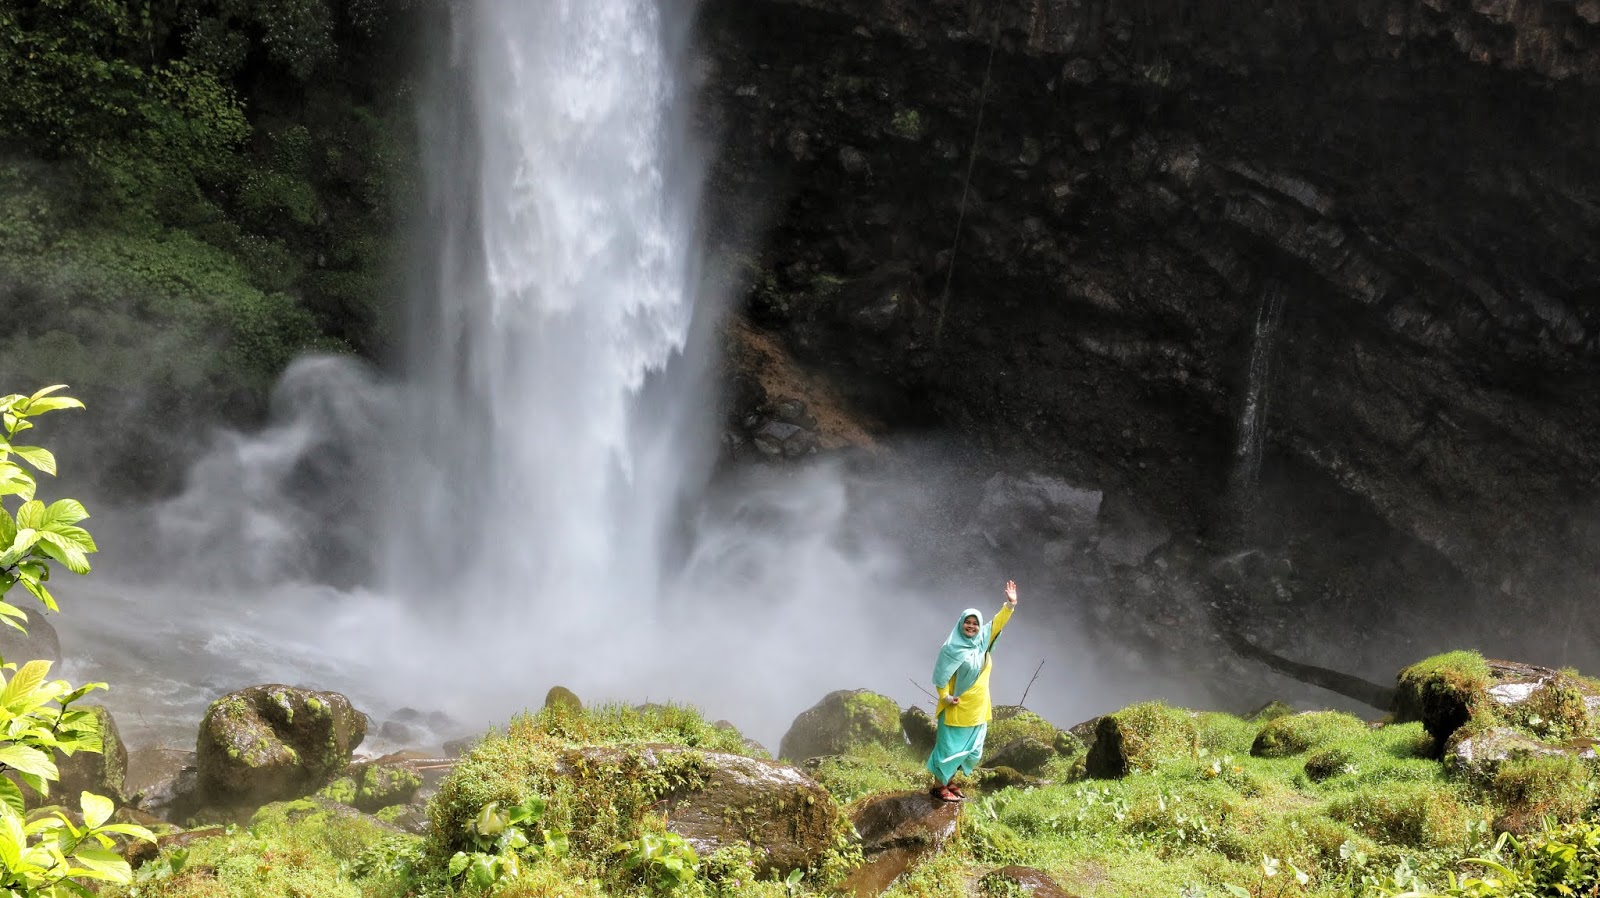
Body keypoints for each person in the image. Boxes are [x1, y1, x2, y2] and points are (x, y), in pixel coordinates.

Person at [926, 579, 1018, 802]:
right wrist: (944, 696)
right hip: (956, 705)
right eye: (967, 623)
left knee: (971, 749)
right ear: (961, 624)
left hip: (978, 707)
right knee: (949, 748)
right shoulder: (951, 648)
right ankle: (939, 787)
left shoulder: (982, 641)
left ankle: (949, 781)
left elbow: (998, 623)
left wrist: (1010, 605)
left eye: (975, 624)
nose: (971, 627)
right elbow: (941, 676)